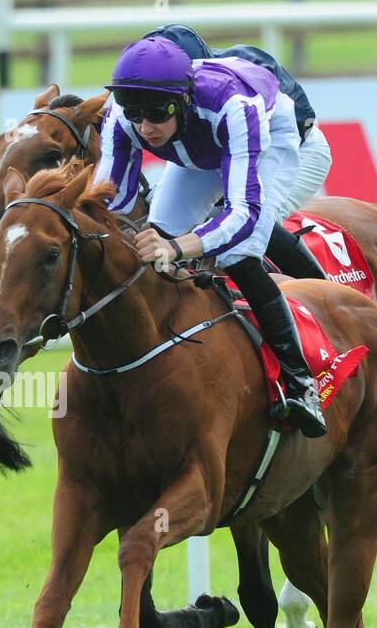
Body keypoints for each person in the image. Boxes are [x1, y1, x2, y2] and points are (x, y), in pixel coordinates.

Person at [94, 35, 326, 437]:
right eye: (135, 113)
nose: (145, 127)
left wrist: (178, 246)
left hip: (270, 134)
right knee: (155, 233)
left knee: (238, 250)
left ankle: (302, 380)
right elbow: (109, 202)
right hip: (197, 146)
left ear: (182, 100)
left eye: (156, 112)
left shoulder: (234, 104)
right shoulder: (122, 113)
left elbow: (244, 215)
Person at [143, 24, 330, 281]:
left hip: (295, 149)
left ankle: (325, 293)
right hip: (220, 153)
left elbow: (278, 146)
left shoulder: (239, 81)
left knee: (250, 222)